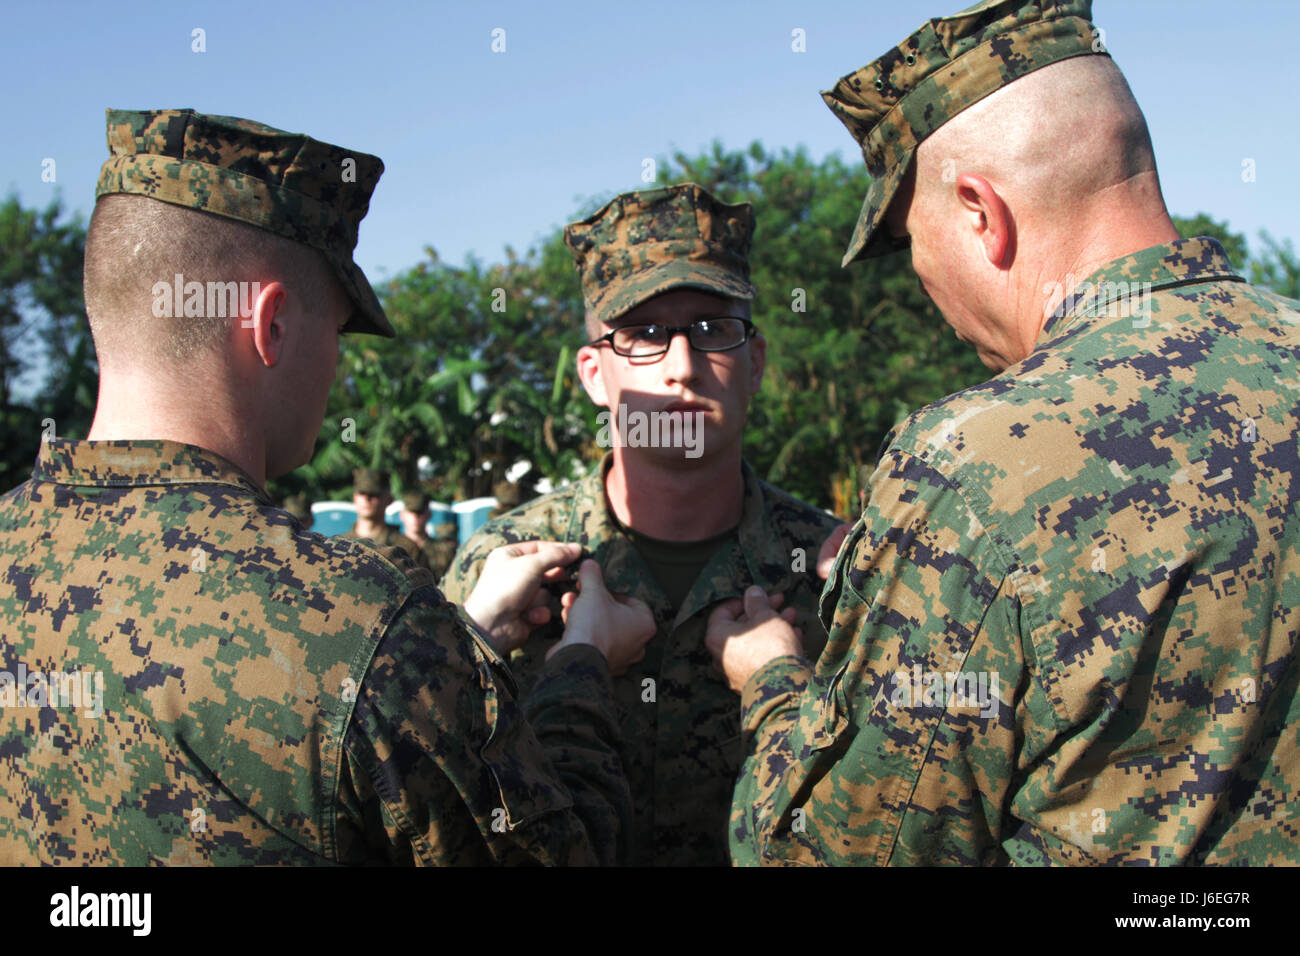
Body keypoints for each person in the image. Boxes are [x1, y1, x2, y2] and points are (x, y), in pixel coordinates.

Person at [709, 0, 1300, 866]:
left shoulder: (974, 462)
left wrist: (771, 680)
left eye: (913, 238)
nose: (924, 284)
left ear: (981, 212)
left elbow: (829, 854)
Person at [0, 108, 653, 865]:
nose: (337, 368)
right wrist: (582, 665)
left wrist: (459, 644)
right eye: (335, 331)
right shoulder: (363, 620)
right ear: (270, 325)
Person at [442, 183, 842, 865]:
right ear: (595, 375)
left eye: (714, 329)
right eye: (645, 335)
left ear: (756, 365)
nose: (682, 369)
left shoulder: (836, 571)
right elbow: (434, 805)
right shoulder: (500, 568)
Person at [345, 468, 427, 570]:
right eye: (362, 493)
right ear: (355, 498)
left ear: (389, 500)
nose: (367, 499)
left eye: (374, 494)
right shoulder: (342, 545)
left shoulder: (406, 548)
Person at [398, 489, 454, 580]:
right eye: (411, 512)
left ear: (429, 514)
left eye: (420, 513)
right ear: (402, 515)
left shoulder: (444, 550)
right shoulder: (394, 548)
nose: (415, 517)